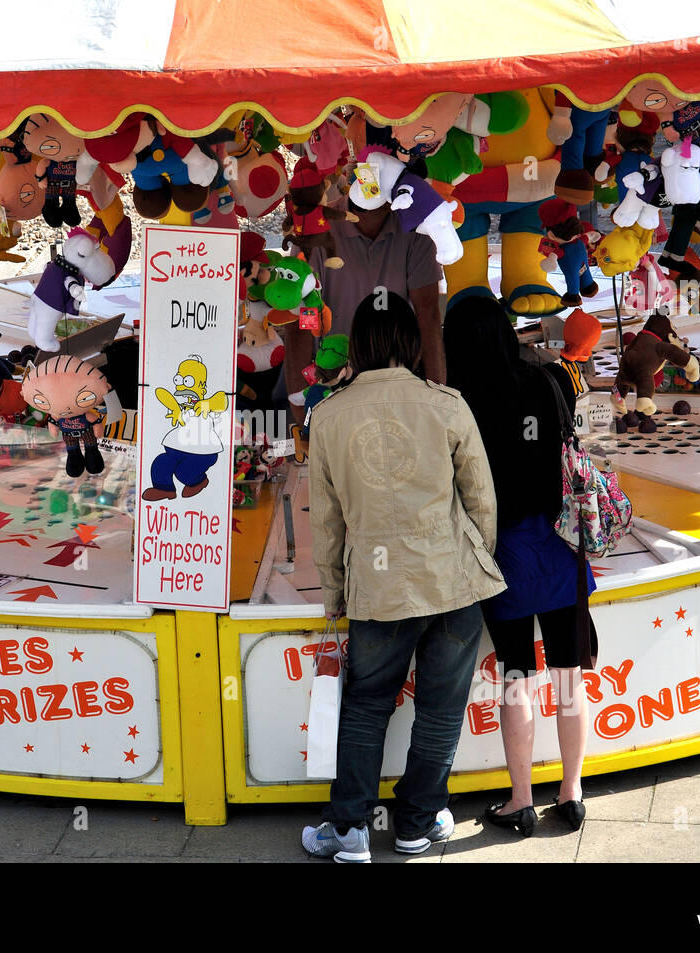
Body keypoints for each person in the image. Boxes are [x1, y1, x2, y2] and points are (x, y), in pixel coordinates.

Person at [301, 291, 506, 862]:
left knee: (367, 704)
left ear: (359, 343)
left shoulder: (329, 415)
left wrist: (335, 592)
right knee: (441, 706)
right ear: (414, 343)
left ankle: (350, 830)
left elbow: (328, 518)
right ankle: (417, 825)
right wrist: (475, 559)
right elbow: (481, 500)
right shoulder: (446, 404)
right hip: (452, 581)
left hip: (377, 585)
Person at [443, 296, 598, 837]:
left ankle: (521, 800)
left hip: (500, 553)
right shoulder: (549, 381)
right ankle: (573, 792)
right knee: (570, 673)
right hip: (559, 545)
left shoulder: (457, 400)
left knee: (516, 677)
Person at [281, 196, 444, 417]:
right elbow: (301, 321)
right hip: (333, 380)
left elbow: (429, 315)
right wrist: (303, 416)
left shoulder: (417, 226)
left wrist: (437, 399)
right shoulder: (315, 228)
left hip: (397, 382)